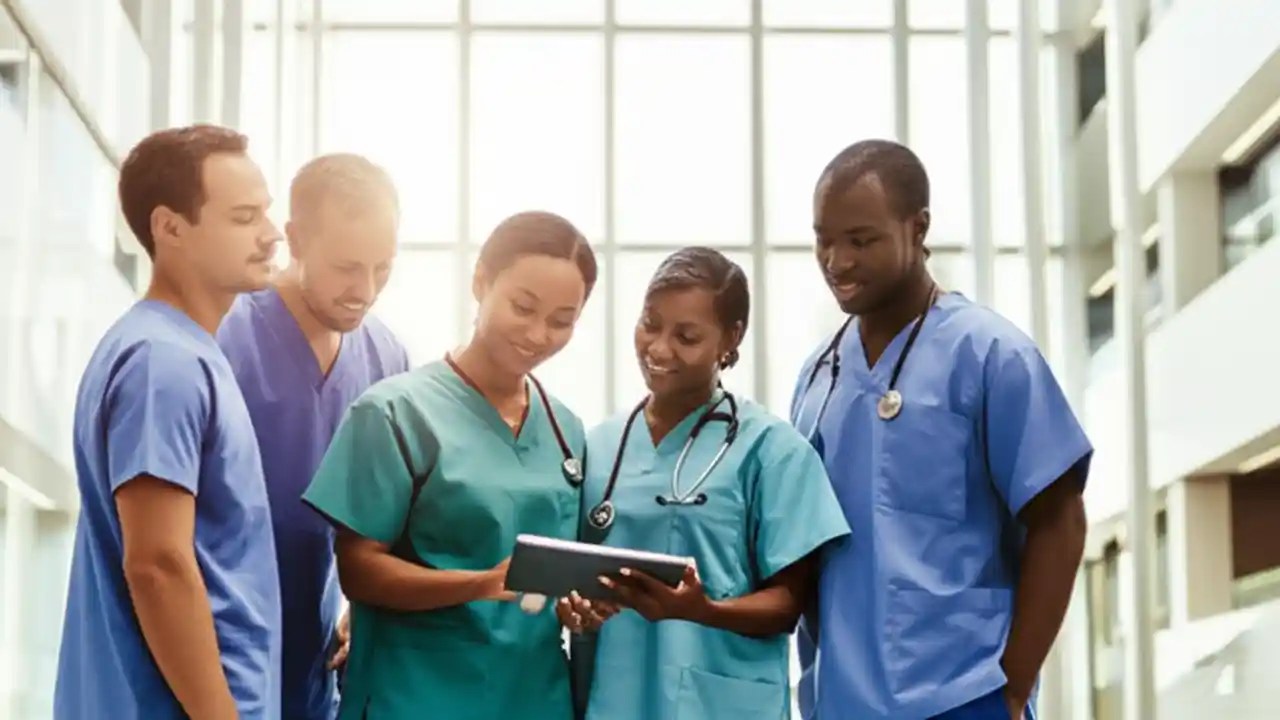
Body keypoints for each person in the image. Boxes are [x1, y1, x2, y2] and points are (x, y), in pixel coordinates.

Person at [793, 139, 1092, 720]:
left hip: (965, 696)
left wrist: (1012, 687)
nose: (837, 261)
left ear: (917, 227)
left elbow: (1061, 521)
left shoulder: (990, 354)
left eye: (860, 240)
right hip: (842, 699)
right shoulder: (818, 376)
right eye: (823, 240)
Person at [300, 211, 599, 720]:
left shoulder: (565, 429)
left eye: (561, 320)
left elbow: (562, 574)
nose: (538, 334)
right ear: (480, 281)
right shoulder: (395, 412)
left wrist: (583, 605)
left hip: (532, 697)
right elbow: (360, 570)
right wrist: (484, 582)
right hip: (416, 695)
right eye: (523, 307)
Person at [54, 125, 282, 719]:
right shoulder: (165, 363)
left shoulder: (178, 351)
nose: (271, 234)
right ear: (170, 228)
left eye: (267, 213)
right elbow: (157, 564)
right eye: (244, 217)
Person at [571, 247, 850, 720]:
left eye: (686, 336)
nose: (659, 348)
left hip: (721, 703)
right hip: (614, 698)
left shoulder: (771, 449)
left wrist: (702, 611)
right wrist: (576, 607)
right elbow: (572, 576)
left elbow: (788, 604)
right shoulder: (599, 446)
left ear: (731, 338)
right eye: (650, 324)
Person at [216, 153, 410, 719]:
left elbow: (391, 511)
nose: (365, 290)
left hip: (311, 654)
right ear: (295, 240)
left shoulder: (386, 356)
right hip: (218, 638)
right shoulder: (225, 334)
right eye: (347, 266)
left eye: (383, 268)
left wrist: (361, 607)